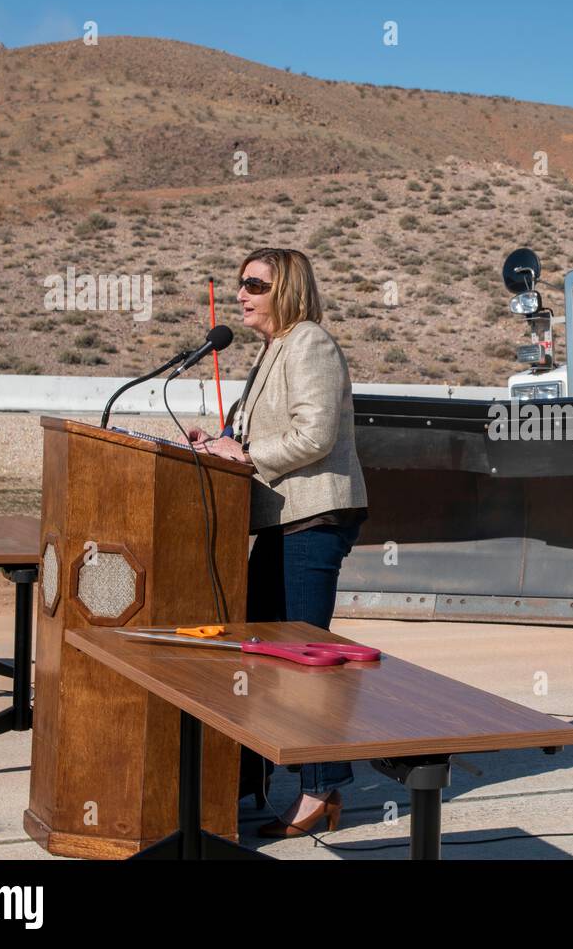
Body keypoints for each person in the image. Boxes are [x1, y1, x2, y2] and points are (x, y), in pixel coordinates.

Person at [185, 247, 368, 838]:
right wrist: (219, 442)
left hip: (312, 521)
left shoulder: (310, 341)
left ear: (285, 289)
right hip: (280, 523)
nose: (242, 293)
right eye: (241, 283)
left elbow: (314, 435)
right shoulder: (273, 350)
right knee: (261, 655)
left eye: (254, 284)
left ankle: (323, 788)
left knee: (303, 662)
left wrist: (248, 453)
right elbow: (263, 435)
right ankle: (248, 784)